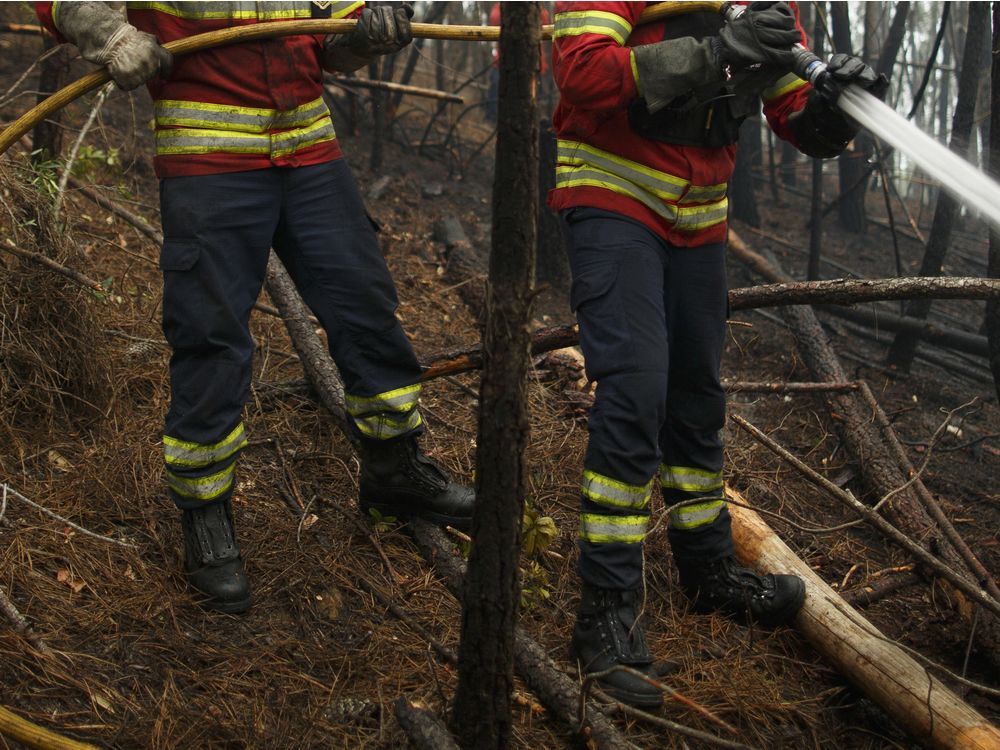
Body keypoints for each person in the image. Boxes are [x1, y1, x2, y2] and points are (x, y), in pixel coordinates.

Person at [36, 1, 474, 614]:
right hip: (209, 162)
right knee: (211, 338)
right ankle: (206, 515)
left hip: (310, 153)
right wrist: (108, 36)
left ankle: (394, 470)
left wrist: (367, 32)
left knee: (365, 305)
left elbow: (327, 35)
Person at [548, 1, 886, 707]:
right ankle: (606, 610)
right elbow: (582, 75)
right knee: (637, 390)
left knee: (696, 399)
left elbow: (795, 117)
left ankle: (707, 570)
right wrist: (717, 52)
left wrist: (840, 101)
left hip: (698, 220)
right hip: (612, 195)